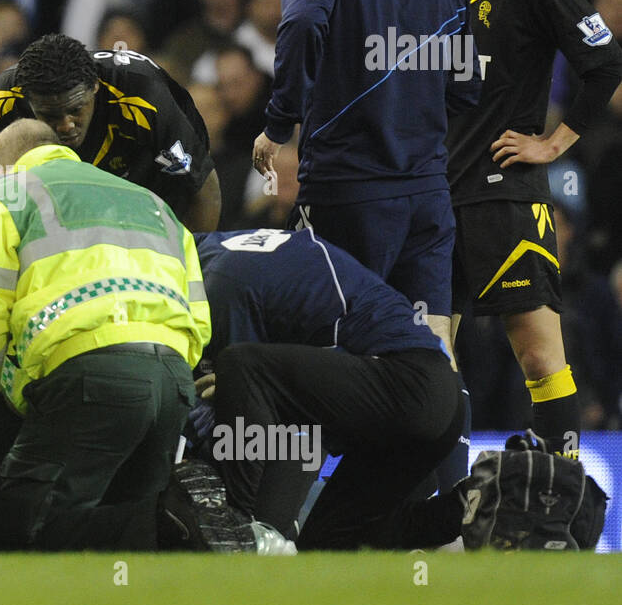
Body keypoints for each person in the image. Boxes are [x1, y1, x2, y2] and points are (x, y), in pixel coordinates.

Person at [422, 0, 622, 460]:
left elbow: (605, 61)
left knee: (539, 353)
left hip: (505, 196)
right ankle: (446, 504)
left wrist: (553, 143)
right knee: (430, 359)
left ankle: (561, 496)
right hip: (432, 202)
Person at [252, 0, 479, 354]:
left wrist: (279, 122)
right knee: (430, 343)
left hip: (348, 193)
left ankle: (335, 440)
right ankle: (448, 437)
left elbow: (304, 22)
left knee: (332, 339)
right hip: (426, 196)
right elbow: (466, 91)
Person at [0, 119, 211, 551]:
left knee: (25, 518)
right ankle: (175, 526)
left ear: (2, 169)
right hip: (172, 378)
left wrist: (19, 389)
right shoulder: (152, 202)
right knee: (128, 528)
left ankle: (179, 526)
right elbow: (199, 316)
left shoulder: (5, 195)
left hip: (86, 372)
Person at [178, 228, 466, 551]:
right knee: (325, 544)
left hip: (409, 384)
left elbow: (247, 410)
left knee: (239, 366)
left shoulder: (218, 284)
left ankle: (237, 534)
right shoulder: (231, 252)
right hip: (434, 402)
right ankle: (474, 504)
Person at [0, 33, 221, 231]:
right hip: (60, 196)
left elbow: (203, 188)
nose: (66, 125)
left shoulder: (143, 93)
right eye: (50, 115)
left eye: (76, 109)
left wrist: (194, 269)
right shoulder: (3, 98)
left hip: (150, 185)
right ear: (27, 100)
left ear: (94, 87)